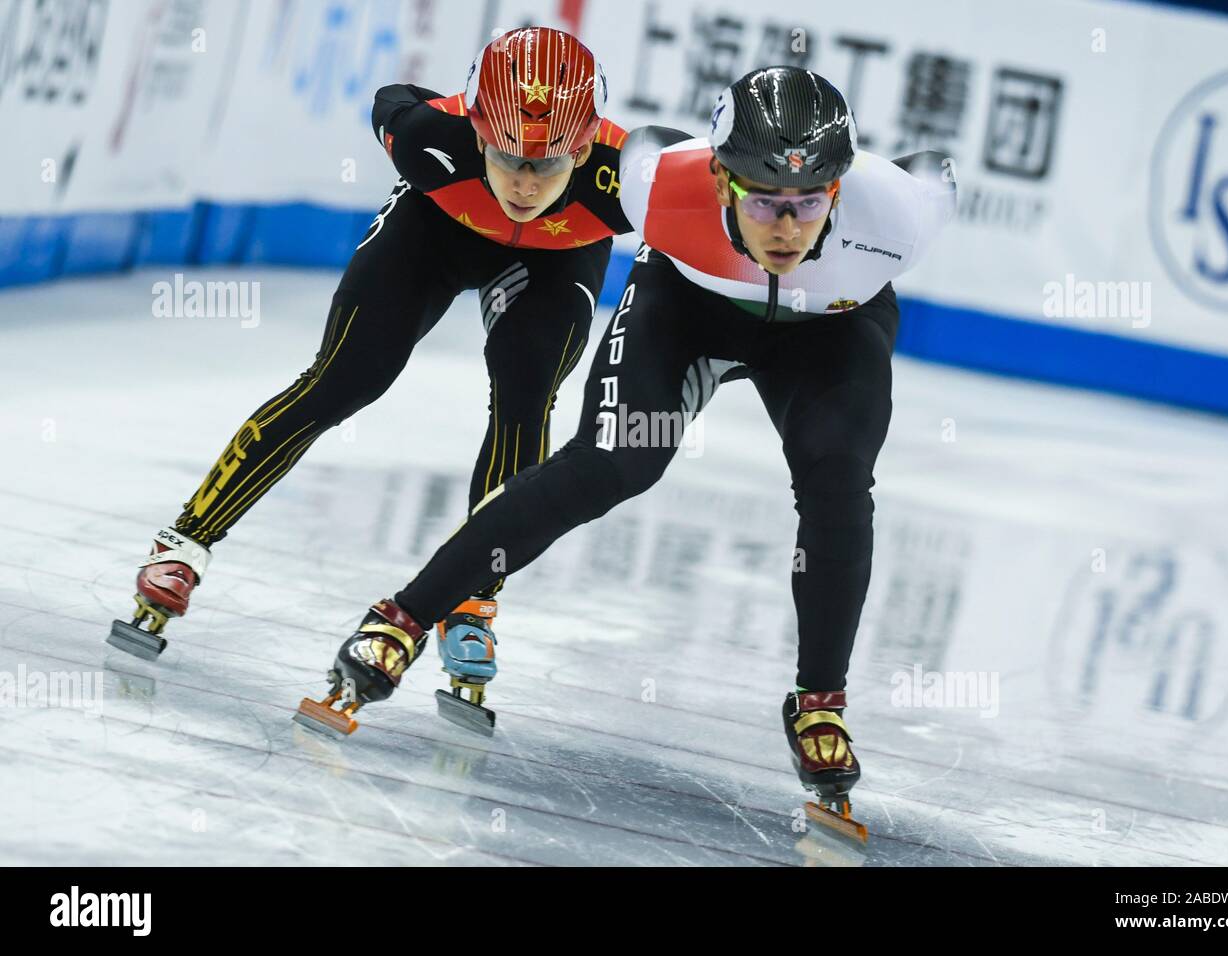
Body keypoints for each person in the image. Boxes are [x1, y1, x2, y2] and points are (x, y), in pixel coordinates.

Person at [296, 67, 955, 837]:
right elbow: (636, 147)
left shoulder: (900, 218)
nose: (787, 227)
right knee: (609, 465)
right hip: (692, 307)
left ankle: (821, 703)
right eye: (764, 201)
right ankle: (404, 618)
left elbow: (936, 167)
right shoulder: (660, 190)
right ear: (718, 180)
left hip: (833, 328)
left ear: (838, 194)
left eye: (809, 205)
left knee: (839, 483)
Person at [107, 26, 631, 662]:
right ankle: (186, 540)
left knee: (527, 397)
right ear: (475, 133)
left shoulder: (632, 177)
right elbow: (395, 97)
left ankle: (471, 598)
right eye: (505, 156)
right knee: (345, 378)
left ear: (582, 152)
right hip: (435, 233)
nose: (524, 183)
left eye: (546, 164)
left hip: (558, 261)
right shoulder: (426, 137)